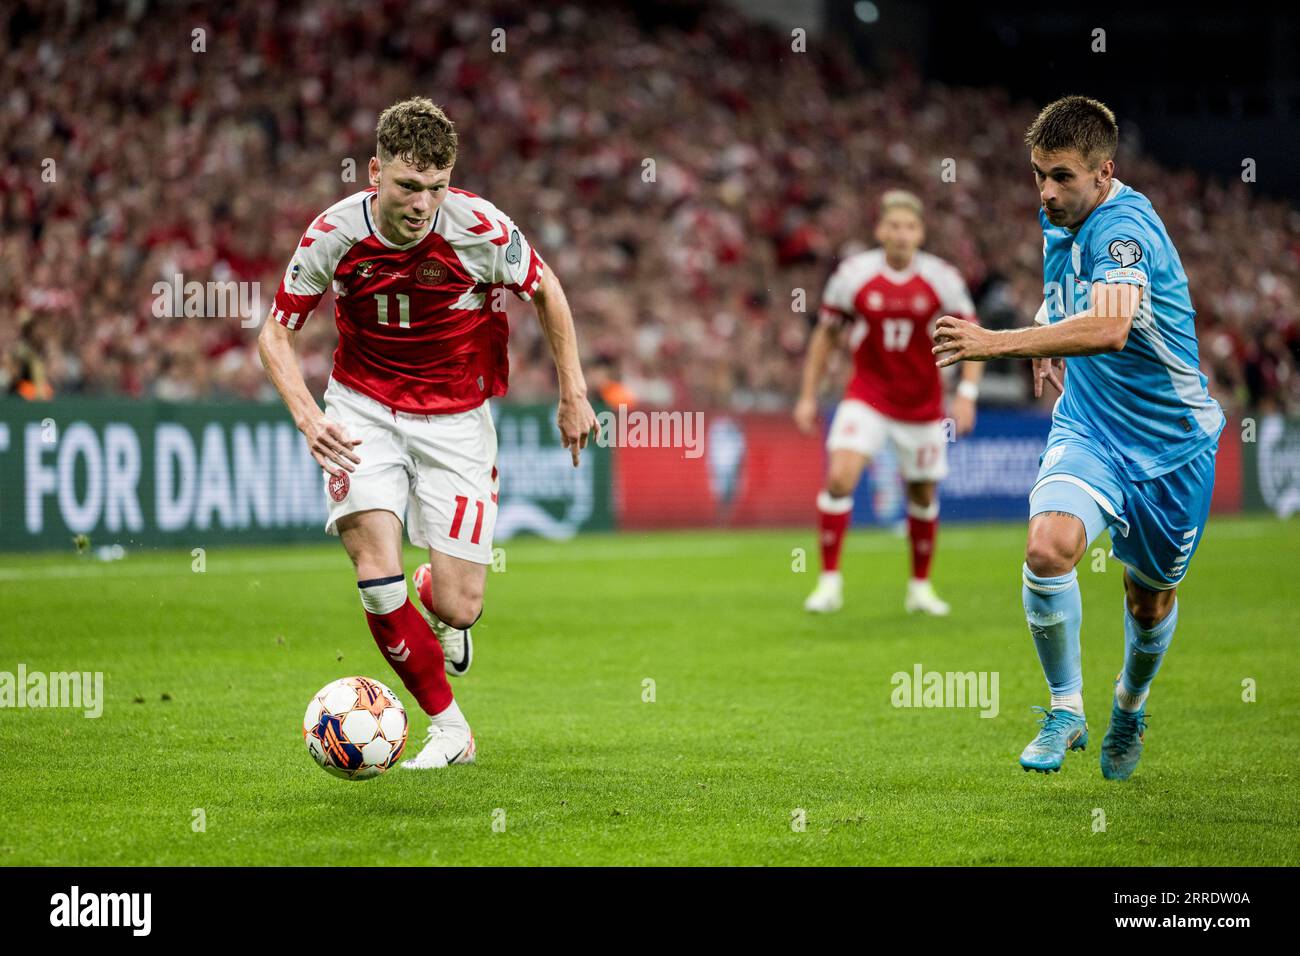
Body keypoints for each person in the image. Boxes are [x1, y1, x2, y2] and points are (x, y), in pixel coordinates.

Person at [259, 97, 597, 770]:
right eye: (409, 186)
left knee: (462, 607)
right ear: (375, 172)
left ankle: (436, 601)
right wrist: (306, 412)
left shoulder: (480, 227)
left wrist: (573, 392)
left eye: (436, 187)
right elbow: (274, 331)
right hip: (362, 409)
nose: (422, 203)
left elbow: (546, 288)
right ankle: (451, 730)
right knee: (375, 580)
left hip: (457, 420)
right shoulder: (333, 233)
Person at [932, 96, 1224, 779]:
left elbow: (1110, 328)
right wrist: (1045, 326)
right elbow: (1074, 300)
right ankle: (1067, 710)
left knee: (1146, 599)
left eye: (1062, 176)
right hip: (1090, 426)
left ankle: (1130, 702)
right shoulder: (1059, 216)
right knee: (1047, 547)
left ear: (1104, 172)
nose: (1047, 191)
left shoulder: (1124, 230)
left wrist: (998, 343)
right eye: (1038, 174)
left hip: (1172, 449)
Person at [795, 190, 983, 616]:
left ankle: (920, 587)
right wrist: (808, 395)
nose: (901, 234)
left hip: (922, 403)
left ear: (921, 233)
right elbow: (825, 334)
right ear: (880, 230)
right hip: (867, 395)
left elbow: (973, 338)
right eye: (893, 226)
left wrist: (966, 395)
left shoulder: (942, 279)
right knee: (840, 477)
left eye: (910, 227)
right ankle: (828, 582)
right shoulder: (853, 275)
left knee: (921, 492)